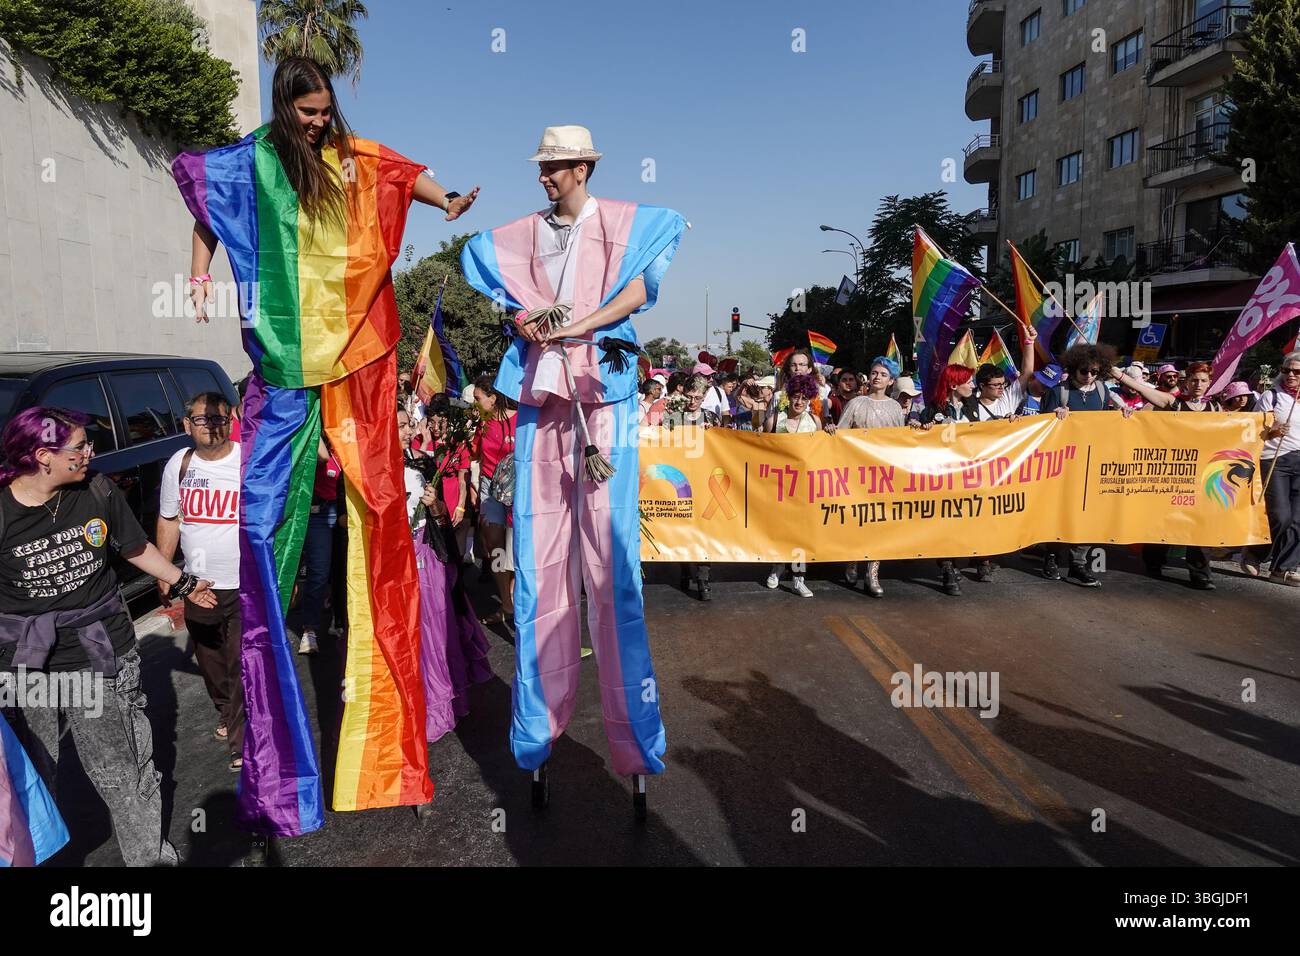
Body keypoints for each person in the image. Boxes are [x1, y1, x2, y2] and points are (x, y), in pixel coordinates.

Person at [174, 56, 479, 833]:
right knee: (257, 522)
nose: (317, 121)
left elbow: (403, 175)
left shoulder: (350, 156)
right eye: (306, 111)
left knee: (381, 510)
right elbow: (215, 206)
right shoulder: (259, 158)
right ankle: (271, 742)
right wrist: (200, 271)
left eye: (323, 110)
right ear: (285, 105)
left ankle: (390, 744)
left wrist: (449, 202)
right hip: (286, 362)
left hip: (358, 354)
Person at [460, 124, 683, 786]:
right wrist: (520, 319)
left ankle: (634, 743)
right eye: (542, 165)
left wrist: (582, 323)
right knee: (541, 567)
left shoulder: (625, 223)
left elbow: (643, 289)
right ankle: (537, 733)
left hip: (604, 399)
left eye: (555, 165)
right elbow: (492, 278)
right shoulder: (524, 233)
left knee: (611, 572)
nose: (545, 175)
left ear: (584, 167)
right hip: (541, 403)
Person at [1, 407, 216, 865]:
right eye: (79, 446)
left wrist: (182, 583)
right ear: (43, 456)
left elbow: (134, 547)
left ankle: (148, 858)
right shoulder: (2, 509)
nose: (90, 452)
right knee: (31, 776)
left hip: (98, 654)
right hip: (26, 667)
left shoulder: (97, 489)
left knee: (122, 768)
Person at [155, 392, 245, 772]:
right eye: (202, 419)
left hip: (245, 582)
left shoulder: (247, 460)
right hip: (198, 586)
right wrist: (163, 573)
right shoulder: (179, 464)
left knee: (241, 661)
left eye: (218, 418)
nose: (211, 425)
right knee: (211, 661)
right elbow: (169, 520)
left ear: (230, 420)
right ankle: (227, 712)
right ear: (186, 425)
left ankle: (242, 740)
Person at [399, 405, 492, 749]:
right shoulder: (376, 470)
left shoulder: (423, 462)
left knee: (437, 629)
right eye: (400, 427)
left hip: (428, 553)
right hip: (397, 560)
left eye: (409, 425)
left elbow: (437, 516)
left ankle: (445, 702)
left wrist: (435, 504)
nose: (408, 432)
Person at [1039, 343, 1135, 588]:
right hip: (1063, 465)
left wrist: (1123, 414)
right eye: (1084, 371)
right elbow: (1040, 430)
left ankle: (1078, 563)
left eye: (1094, 371)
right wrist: (1054, 417)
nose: (1089, 375)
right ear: (1072, 369)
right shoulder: (1057, 391)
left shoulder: (1104, 392)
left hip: (1094, 464)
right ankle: (1052, 555)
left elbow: (1113, 420)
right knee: (1060, 512)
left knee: (1089, 515)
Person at [1137, 362, 1220, 589]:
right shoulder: (1174, 403)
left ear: (1209, 383)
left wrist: (1270, 431)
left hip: (1202, 474)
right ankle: (1153, 559)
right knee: (1167, 519)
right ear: (1186, 381)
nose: (1198, 385)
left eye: (1203, 381)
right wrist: (1114, 371)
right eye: (1194, 380)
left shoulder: (1215, 408)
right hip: (1173, 473)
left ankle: (1201, 573)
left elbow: (1234, 433)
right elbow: (1145, 391)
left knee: (1201, 523)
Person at [837, 357, 905, 597]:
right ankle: (853, 559)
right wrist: (831, 431)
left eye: (883, 374)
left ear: (891, 380)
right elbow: (840, 435)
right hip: (857, 471)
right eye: (874, 372)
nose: (877, 377)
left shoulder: (896, 407)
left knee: (879, 522)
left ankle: (873, 572)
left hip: (884, 473)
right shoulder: (856, 403)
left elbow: (901, 441)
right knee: (858, 518)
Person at [1244, 352, 1300, 584]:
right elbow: (1252, 429)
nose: (1290, 375)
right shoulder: (1272, 396)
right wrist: (1275, 430)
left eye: (1297, 372)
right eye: (1287, 370)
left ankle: (1283, 569)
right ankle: (1256, 552)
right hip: (1275, 460)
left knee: (1298, 520)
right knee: (1281, 516)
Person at [766, 374, 821, 598]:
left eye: (804, 398)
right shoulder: (774, 420)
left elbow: (821, 452)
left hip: (803, 488)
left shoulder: (814, 422)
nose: (799, 402)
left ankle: (799, 578)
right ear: (788, 397)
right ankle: (777, 567)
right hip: (777, 485)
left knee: (801, 535)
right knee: (779, 530)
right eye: (796, 397)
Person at [471, 374, 517, 625]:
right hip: (490, 488)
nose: (476, 403)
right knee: (495, 545)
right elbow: (473, 453)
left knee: (517, 548)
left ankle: (513, 595)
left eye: (479, 398)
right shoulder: (482, 422)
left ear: (493, 397)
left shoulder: (521, 420)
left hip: (517, 490)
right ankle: (507, 604)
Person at [295, 436, 342, 655]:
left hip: (344, 511)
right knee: (319, 571)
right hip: (318, 514)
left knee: (343, 568)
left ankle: (339, 620)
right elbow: (323, 457)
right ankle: (309, 630)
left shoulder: (346, 443)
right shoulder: (313, 440)